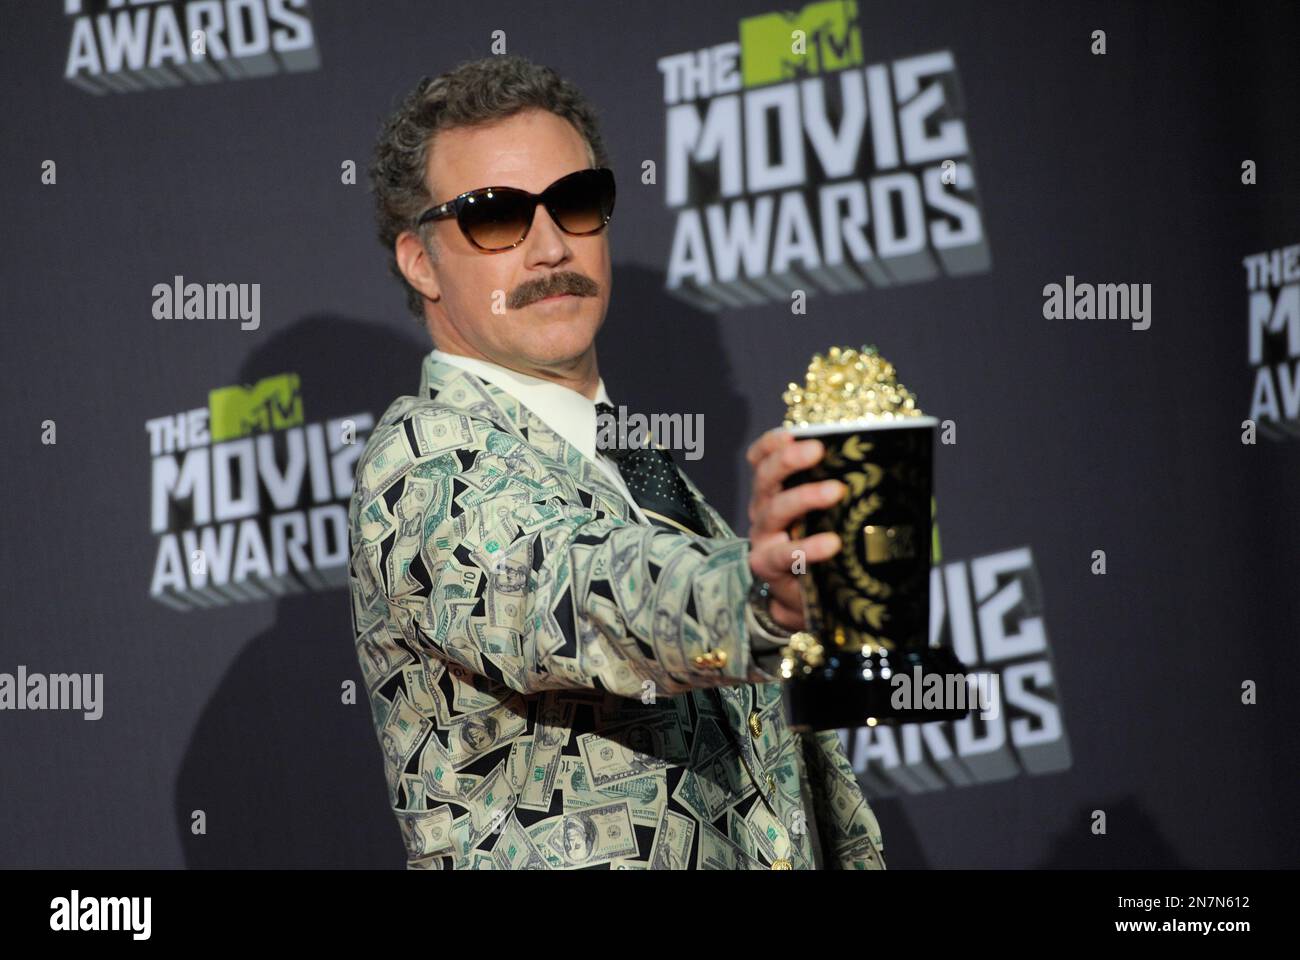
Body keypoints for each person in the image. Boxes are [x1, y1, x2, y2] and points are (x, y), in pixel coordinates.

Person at [348, 53, 885, 870]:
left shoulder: (624, 448)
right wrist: (758, 596)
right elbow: (592, 595)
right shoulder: (420, 466)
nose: (550, 246)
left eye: (574, 202)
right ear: (420, 260)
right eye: (495, 218)